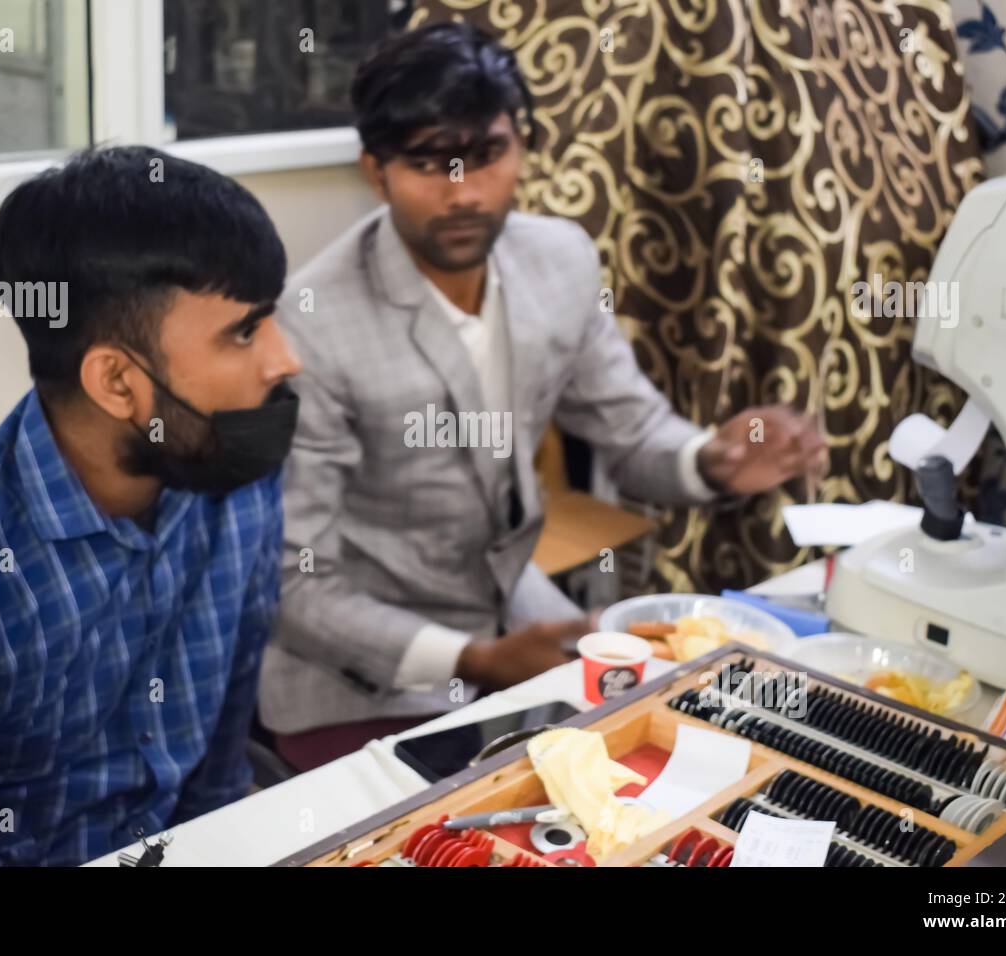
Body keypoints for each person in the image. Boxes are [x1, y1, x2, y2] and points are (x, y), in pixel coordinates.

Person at [261, 22, 828, 770]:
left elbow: (632, 431)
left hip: (509, 608)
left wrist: (714, 459)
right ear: (376, 171)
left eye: (486, 155)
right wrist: (474, 658)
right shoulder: (314, 323)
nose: (462, 192)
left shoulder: (557, 260)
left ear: (521, 148)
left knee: (692, 762)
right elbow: (295, 588)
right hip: (359, 666)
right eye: (429, 162)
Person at [0, 146, 302, 865]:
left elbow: (214, 788)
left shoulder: (233, 484)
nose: (285, 358)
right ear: (118, 383)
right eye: (245, 331)